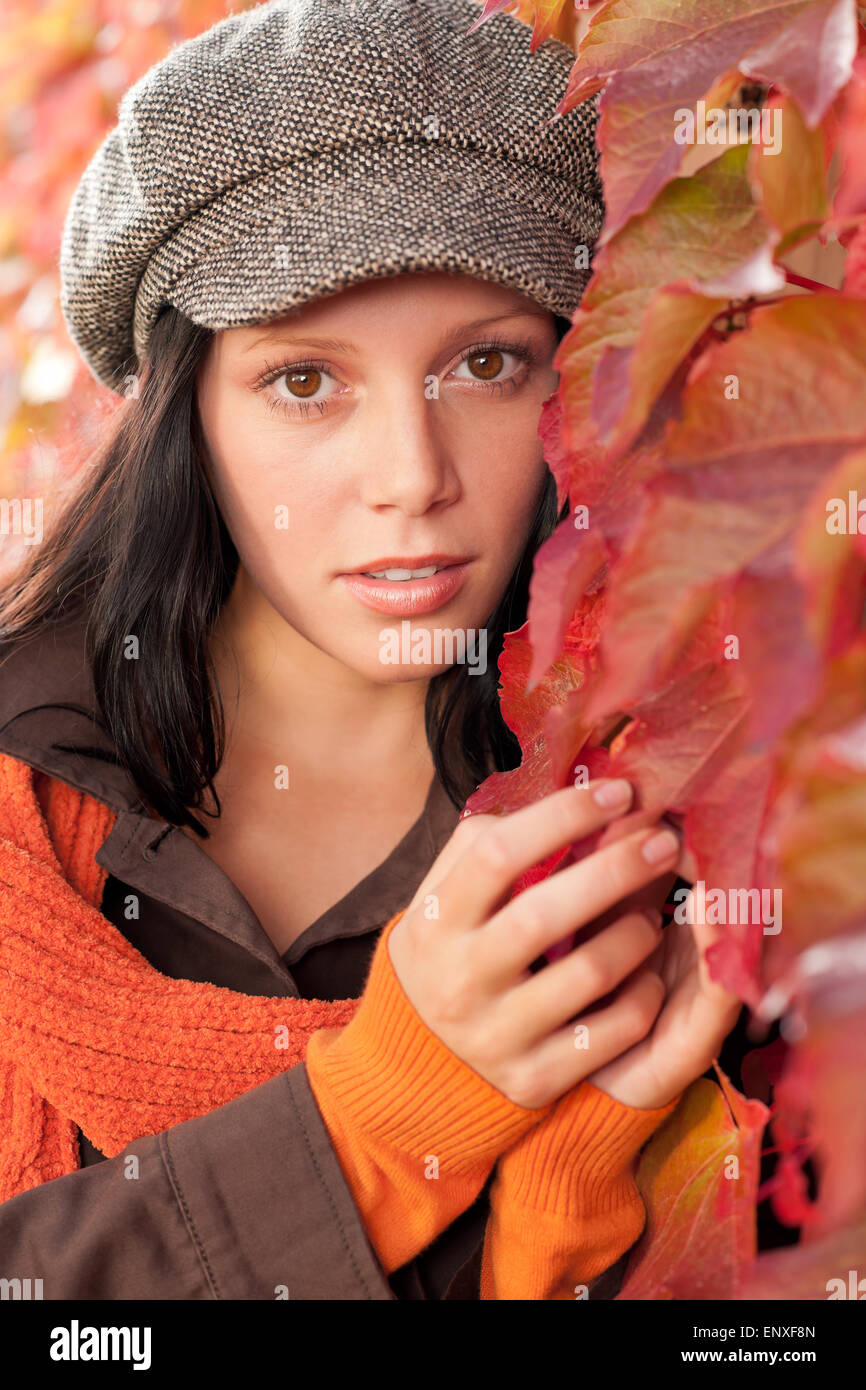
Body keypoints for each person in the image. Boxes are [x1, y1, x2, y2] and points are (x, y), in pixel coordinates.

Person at [0, 0, 740, 1300]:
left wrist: (550, 1236)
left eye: (488, 364)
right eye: (304, 380)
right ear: (188, 413)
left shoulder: (681, 805)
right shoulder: (24, 818)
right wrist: (382, 1121)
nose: (410, 476)